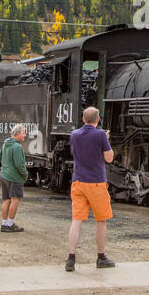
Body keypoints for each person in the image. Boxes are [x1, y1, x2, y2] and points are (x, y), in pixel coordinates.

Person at [66, 107, 116, 270]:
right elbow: (109, 158)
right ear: (98, 119)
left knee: (76, 221)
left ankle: (71, 259)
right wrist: (106, 140)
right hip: (96, 183)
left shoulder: (74, 134)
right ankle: (101, 257)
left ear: (83, 119)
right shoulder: (101, 134)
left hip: (78, 182)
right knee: (101, 221)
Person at [0, 124, 28, 232]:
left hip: (4, 175)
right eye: (23, 133)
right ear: (17, 134)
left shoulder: (5, 143)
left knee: (6, 200)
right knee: (15, 201)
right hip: (14, 178)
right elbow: (20, 165)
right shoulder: (17, 147)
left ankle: (4, 223)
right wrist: (25, 174)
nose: (25, 135)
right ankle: (10, 224)